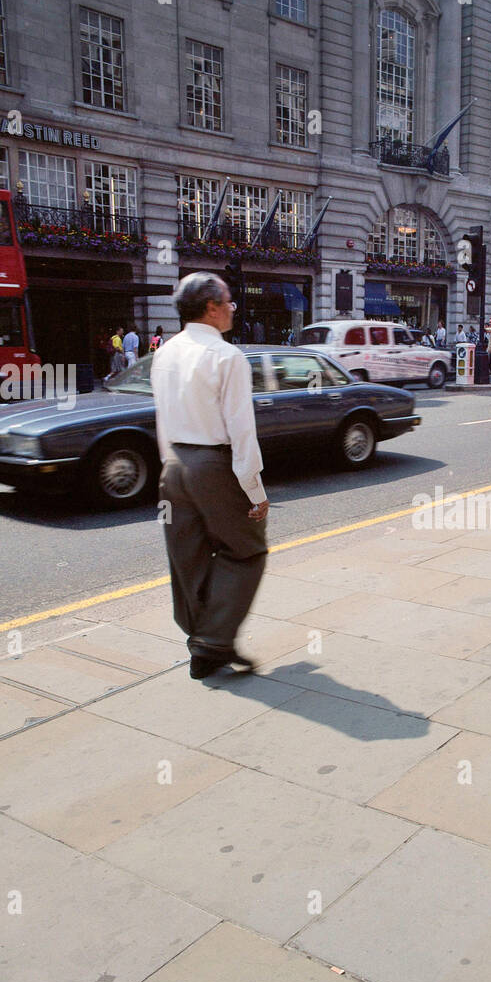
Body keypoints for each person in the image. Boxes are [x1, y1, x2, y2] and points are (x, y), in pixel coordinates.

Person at [152, 272, 270, 680]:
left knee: (188, 558)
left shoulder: (165, 352)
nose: (233, 308)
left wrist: (170, 466)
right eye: (229, 301)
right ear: (211, 308)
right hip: (212, 466)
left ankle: (199, 640)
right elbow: (241, 430)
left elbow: (161, 417)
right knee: (246, 550)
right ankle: (213, 641)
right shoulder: (228, 357)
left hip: (174, 466)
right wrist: (254, 490)